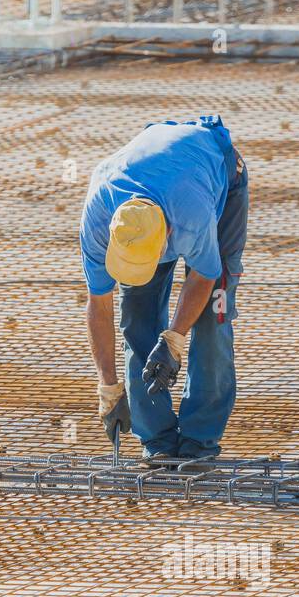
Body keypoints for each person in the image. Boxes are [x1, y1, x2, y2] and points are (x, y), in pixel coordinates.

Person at [79, 115, 249, 461]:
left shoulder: (192, 215)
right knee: (136, 317)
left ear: (168, 237)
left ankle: (199, 440)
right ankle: (156, 440)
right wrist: (108, 387)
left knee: (211, 317)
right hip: (159, 171)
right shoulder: (99, 221)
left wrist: (173, 339)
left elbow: (202, 277)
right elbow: (100, 306)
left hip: (218, 173)